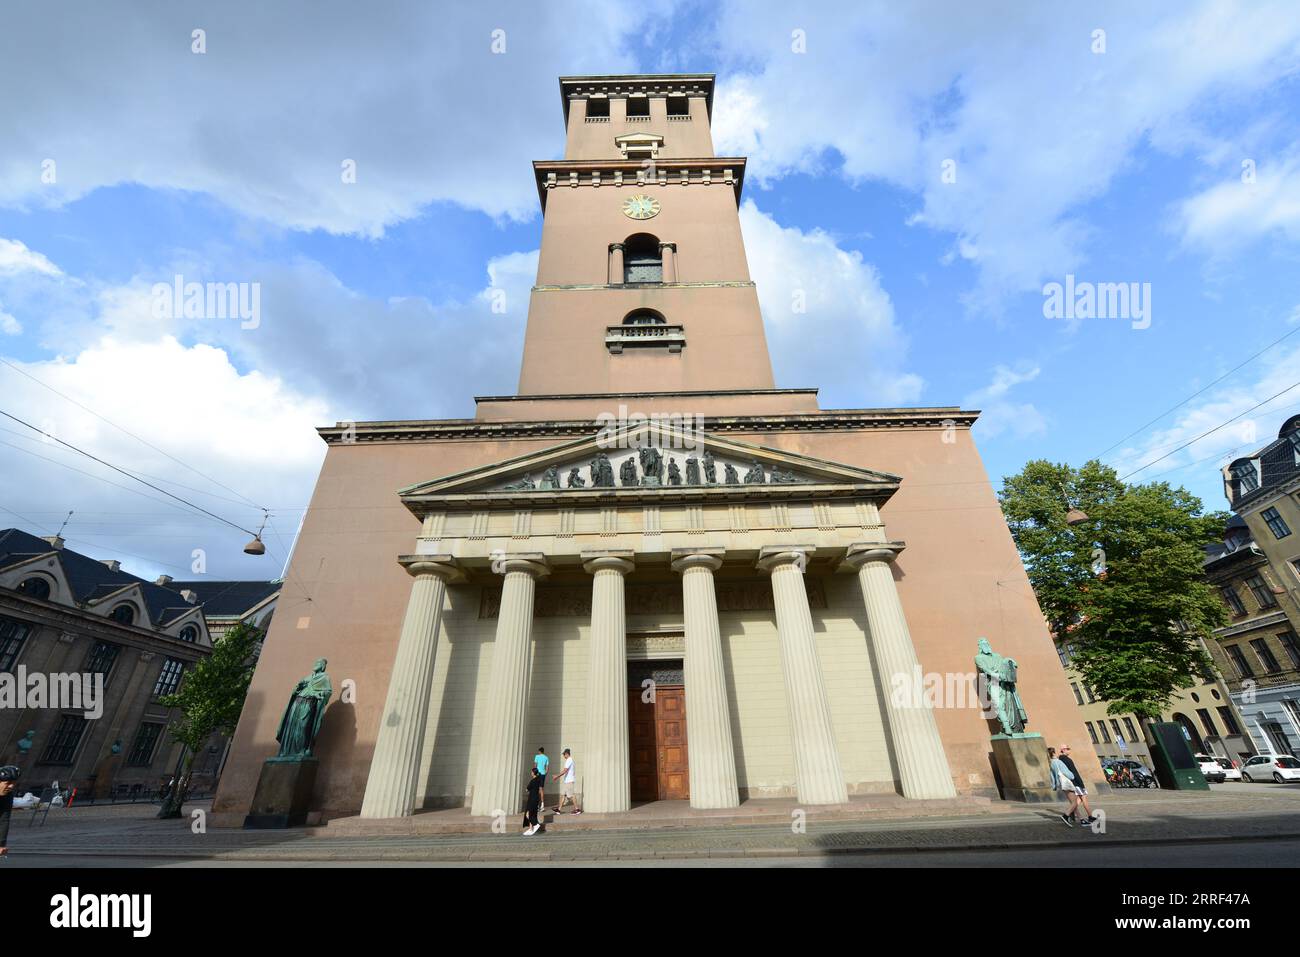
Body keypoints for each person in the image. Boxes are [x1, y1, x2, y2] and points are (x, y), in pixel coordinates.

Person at [1056, 744, 1096, 826]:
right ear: (1063, 750)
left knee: (1078, 800)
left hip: (1074, 781)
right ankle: (1090, 816)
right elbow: (1072, 772)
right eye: (1067, 749)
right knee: (1083, 799)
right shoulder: (1065, 759)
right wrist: (1079, 782)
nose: (1069, 750)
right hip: (1076, 782)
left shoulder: (1062, 759)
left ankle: (1073, 813)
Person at [552, 748, 582, 815]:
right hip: (567, 781)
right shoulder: (570, 760)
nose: (563, 756)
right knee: (563, 795)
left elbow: (565, 770)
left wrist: (557, 776)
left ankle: (577, 809)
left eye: (564, 754)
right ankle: (559, 809)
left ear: (567, 754)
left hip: (569, 781)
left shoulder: (569, 760)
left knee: (571, 795)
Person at [0, 765, 19, 859]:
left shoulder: (8, 795)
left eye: (13, 783)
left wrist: (1, 844)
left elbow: (4, 820)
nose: (11, 786)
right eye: (8, 783)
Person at [522, 768, 544, 836]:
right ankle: (531, 829)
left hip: (532, 799)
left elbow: (527, 789)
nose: (531, 773)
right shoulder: (538, 779)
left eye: (531, 772)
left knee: (528, 814)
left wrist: (528, 789)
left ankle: (535, 824)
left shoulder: (533, 781)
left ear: (533, 773)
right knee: (533, 813)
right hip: (536, 798)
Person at [534, 747, 549, 812]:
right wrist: (545, 773)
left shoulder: (537, 756)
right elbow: (547, 767)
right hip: (543, 774)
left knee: (536, 789)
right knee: (541, 789)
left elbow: (535, 766)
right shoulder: (546, 757)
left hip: (537, 774)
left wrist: (535, 774)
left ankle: (537, 806)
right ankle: (542, 806)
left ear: (539, 751)